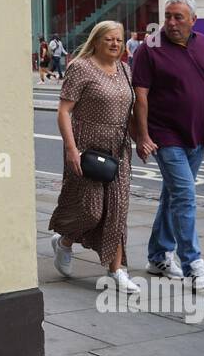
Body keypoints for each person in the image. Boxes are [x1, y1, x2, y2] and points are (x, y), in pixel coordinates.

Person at [131, 0, 204, 288]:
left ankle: (158, 256)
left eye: (178, 17)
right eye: (167, 16)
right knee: (185, 196)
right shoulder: (151, 47)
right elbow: (141, 96)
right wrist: (143, 135)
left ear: (193, 20)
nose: (170, 22)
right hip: (165, 135)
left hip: (196, 135)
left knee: (172, 195)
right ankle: (193, 265)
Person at [48, 21, 142, 293]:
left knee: (117, 210)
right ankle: (64, 242)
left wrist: (142, 140)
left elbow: (130, 114)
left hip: (119, 149)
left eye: (119, 40)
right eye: (109, 39)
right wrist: (70, 148)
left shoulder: (125, 70)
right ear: (96, 40)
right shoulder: (81, 67)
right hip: (87, 148)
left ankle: (118, 270)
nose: (115, 44)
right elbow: (64, 111)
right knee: (90, 210)